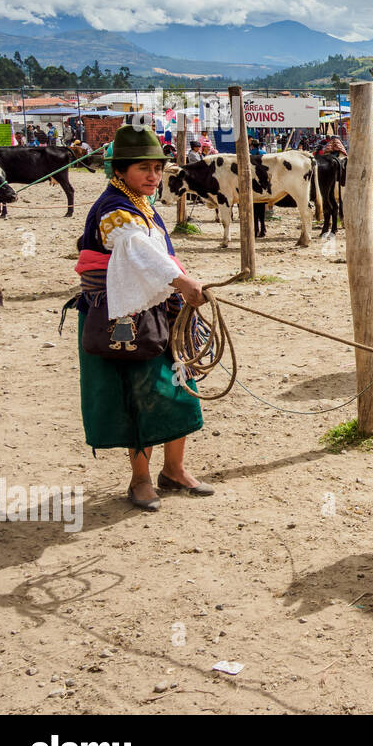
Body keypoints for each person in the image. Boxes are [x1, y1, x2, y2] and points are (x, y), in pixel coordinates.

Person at [75, 123, 213, 511]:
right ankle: (140, 480)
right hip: (123, 319)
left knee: (177, 385)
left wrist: (177, 286)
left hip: (157, 309)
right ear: (120, 170)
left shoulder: (139, 202)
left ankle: (174, 470)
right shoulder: (114, 211)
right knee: (139, 394)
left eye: (157, 168)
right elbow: (138, 250)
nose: (153, 176)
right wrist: (182, 280)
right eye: (143, 169)